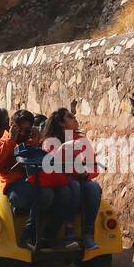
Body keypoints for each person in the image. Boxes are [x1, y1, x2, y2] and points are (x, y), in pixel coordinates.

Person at [0, 109, 73, 248]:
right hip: (14, 184)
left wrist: (37, 143)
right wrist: (11, 141)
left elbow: (46, 160)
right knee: (46, 193)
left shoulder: (32, 142)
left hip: (38, 181)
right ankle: (28, 235)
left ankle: (49, 236)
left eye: (26, 130)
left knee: (65, 192)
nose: (22, 133)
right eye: (18, 129)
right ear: (11, 126)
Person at [43, 107, 103, 251]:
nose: (75, 118)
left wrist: (86, 174)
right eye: (70, 117)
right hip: (59, 183)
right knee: (73, 185)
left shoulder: (81, 140)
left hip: (80, 180)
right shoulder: (50, 141)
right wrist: (64, 149)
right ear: (61, 122)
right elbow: (50, 165)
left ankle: (88, 234)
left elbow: (94, 168)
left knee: (94, 188)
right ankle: (69, 233)